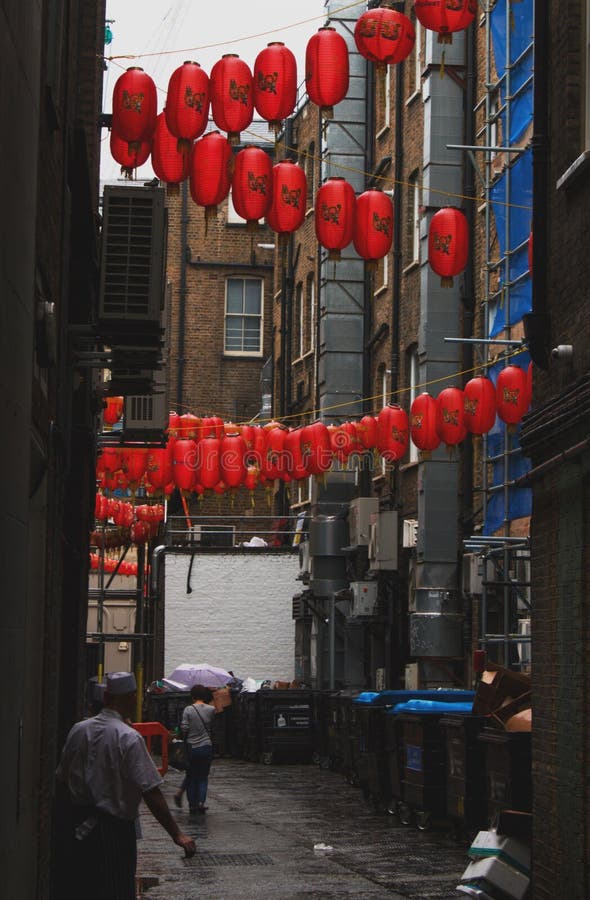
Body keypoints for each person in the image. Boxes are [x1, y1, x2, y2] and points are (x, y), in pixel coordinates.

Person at [56, 671, 196, 899]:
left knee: (82, 889)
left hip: (77, 826)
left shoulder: (78, 730)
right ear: (130, 698)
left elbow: (61, 778)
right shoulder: (128, 737)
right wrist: (176, 834)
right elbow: (150, 791)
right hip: (115, 831)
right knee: (116, 889)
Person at [178, 684, 216, 814]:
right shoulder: (211, 709)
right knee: (203, 777)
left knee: (191, 776)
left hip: (191, 748)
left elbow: (184, 728)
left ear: (192, 696)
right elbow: (212, 725)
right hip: (206, 746)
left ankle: (192, 804)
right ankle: (201, 802)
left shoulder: (188, 710)